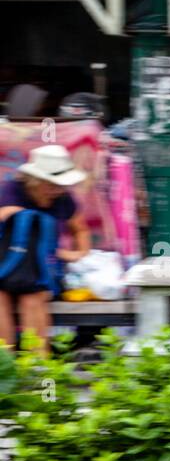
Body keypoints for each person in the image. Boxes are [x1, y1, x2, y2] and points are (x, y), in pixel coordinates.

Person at [0, 145, 90, 349]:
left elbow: (80, 230)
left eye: (60, 185)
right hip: (5, 266)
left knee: (31, 297)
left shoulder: (63, 199)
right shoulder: (9, 192)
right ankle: (5, 367)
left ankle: (37, 369)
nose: (58, 190)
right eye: (52, 185)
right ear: (34, 181)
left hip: (43, 269)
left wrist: (79, 253)